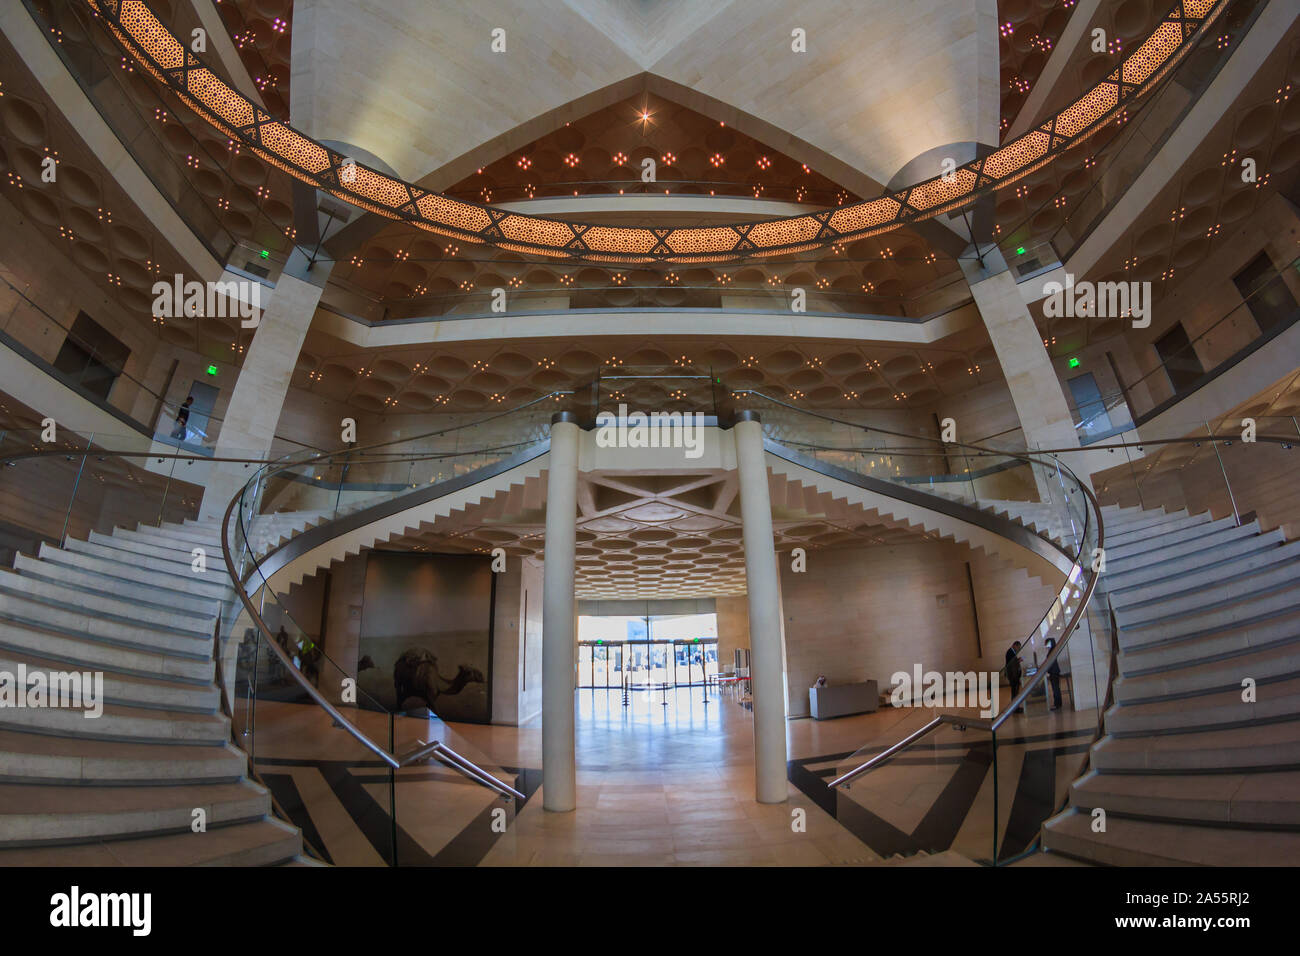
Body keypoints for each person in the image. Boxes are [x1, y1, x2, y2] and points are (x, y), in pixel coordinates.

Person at [1005, 640, 1024, 714]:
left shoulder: (1011, 652)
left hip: (1014, 675)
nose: (1018, 649)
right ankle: (1015, 708)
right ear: (1015, 645)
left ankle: (1016, 707)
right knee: (1014, 692)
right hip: (1013, 676)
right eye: (1018, 647)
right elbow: (1011, 664)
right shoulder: (1010, 652)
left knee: (1015, 692)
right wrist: (1018, 660)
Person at [1044, 637, 1063, 711]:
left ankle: (1057, 704)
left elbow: (1051, 663)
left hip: (1054, 672)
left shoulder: (1052, 651)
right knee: (1056, 688)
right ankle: (1058, 703)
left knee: (1055, 689)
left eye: (1046, 643)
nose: (1045, 645)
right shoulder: (1052, 651)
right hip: (1054, 671)